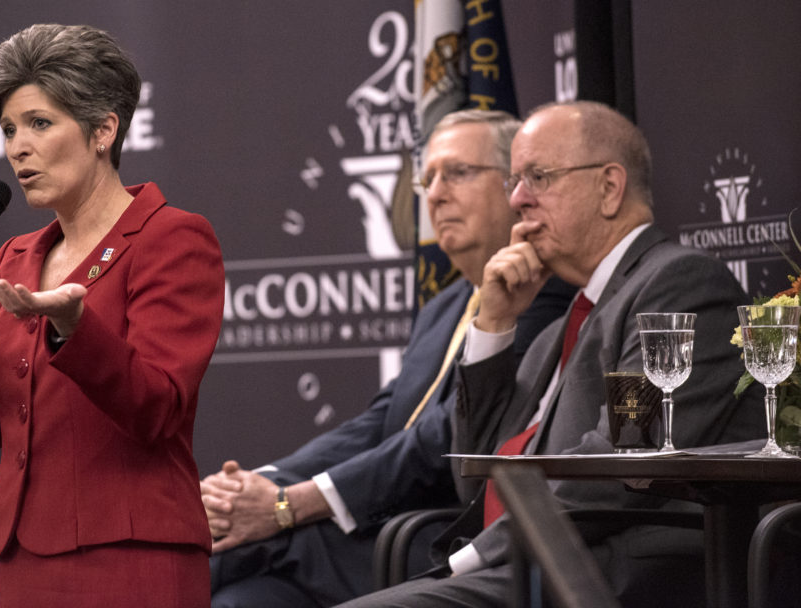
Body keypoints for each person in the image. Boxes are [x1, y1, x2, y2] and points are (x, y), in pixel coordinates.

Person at [337, 101, 764, 608]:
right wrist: (494, 325)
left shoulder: (676, 284)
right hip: (527, 563)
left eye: (538, 177)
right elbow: (473, 473)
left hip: (606, 569)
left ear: (609, 187)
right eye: (514, 181)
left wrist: (472, 557)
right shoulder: (558, 330)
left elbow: (623, 460)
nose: (518, 200)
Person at [0, 24, 224, 607]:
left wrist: (75, 330)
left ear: (104, 129)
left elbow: (157, 408)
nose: (16, 147)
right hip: (24, 561)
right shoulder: (15, 256)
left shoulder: (172, 238)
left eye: (39, 123)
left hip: (134, 558)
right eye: (8, 129)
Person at [204, 110, 576, 607]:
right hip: (373, 529)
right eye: (429, 179)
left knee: (222, 544)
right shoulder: (444, 304)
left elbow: (442, 439)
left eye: (459, 173)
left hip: (436, 537)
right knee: (242, 598)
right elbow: (383, 420)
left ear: (515, 188)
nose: (436, 194)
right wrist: (263, 484)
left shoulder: (543, 300)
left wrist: (289, 505)